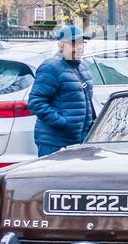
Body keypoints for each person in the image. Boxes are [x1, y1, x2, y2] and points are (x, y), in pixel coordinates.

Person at [28, 24, 96, 157]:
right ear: (61, 46)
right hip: (55, 142)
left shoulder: (82, 66)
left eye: (82, 42)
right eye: (74, 43)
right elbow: (36, 102)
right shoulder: (51, 67)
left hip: (79, 140)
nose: (80, 47)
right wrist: (62, 122)